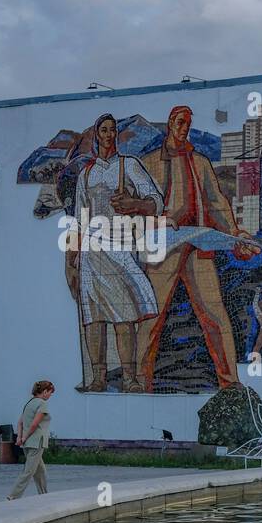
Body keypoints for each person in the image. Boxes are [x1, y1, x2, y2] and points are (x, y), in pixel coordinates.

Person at [138, 105, 256, 392]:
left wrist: (234, 233)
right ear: (170, 123)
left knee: (216, 315)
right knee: (150, 318)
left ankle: (230, 383)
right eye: (180, 122)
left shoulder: (200, 162)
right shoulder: (148, 162)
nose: (184, 128)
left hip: (197, 247)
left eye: (188, 123)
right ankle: (138, 382)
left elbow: (217, 203)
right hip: (164, 248)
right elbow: (137, 206)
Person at [67, 114, 164, 392]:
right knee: (94, 318)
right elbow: (79, 219)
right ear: (96, 134)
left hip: (120, 246)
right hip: (91, 252)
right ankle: (97, 378)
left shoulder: (129, 166)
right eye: (104, 130)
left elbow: (156, 201)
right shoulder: (86, 173)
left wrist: (134, 203)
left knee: (124, 316)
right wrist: (71, 260)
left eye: (113, 130)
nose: (109, 135)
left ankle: (130, 378)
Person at [8, 381, 55, 499]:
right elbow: (34, 424)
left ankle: (44, 495)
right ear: (44, 392)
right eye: (50, 393)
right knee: (28, 472)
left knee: (40, 471)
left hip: (27, 443)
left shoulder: (29, 403)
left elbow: (20, 423)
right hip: (36, 442)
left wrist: (20, 437)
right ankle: (13, 496)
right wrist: (23, 437)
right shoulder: (42, 404)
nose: (50, 395)